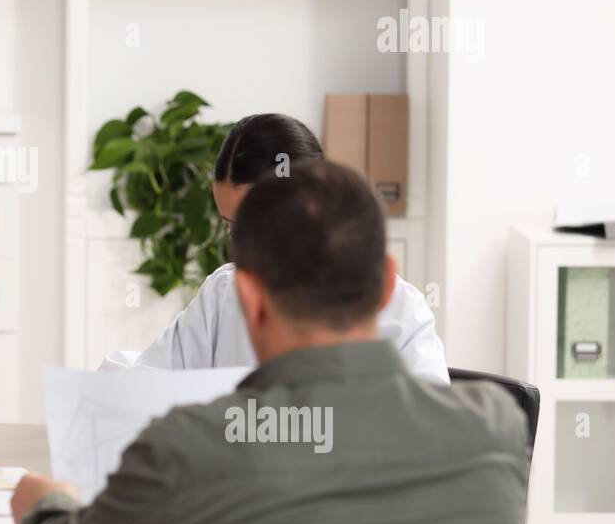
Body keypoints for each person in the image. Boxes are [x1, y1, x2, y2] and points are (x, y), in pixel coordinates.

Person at [12, 159, 529, 524]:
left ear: (250, 299)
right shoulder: (497, 429)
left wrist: (44, 504)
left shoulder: (186, 451)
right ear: (388, 280)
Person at [101, 113, 449, 384]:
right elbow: (146, 383)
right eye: (231, 225)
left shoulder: (403, 311)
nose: (243, 246)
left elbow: (428, 440)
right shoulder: (224, 292)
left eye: (256, 223)